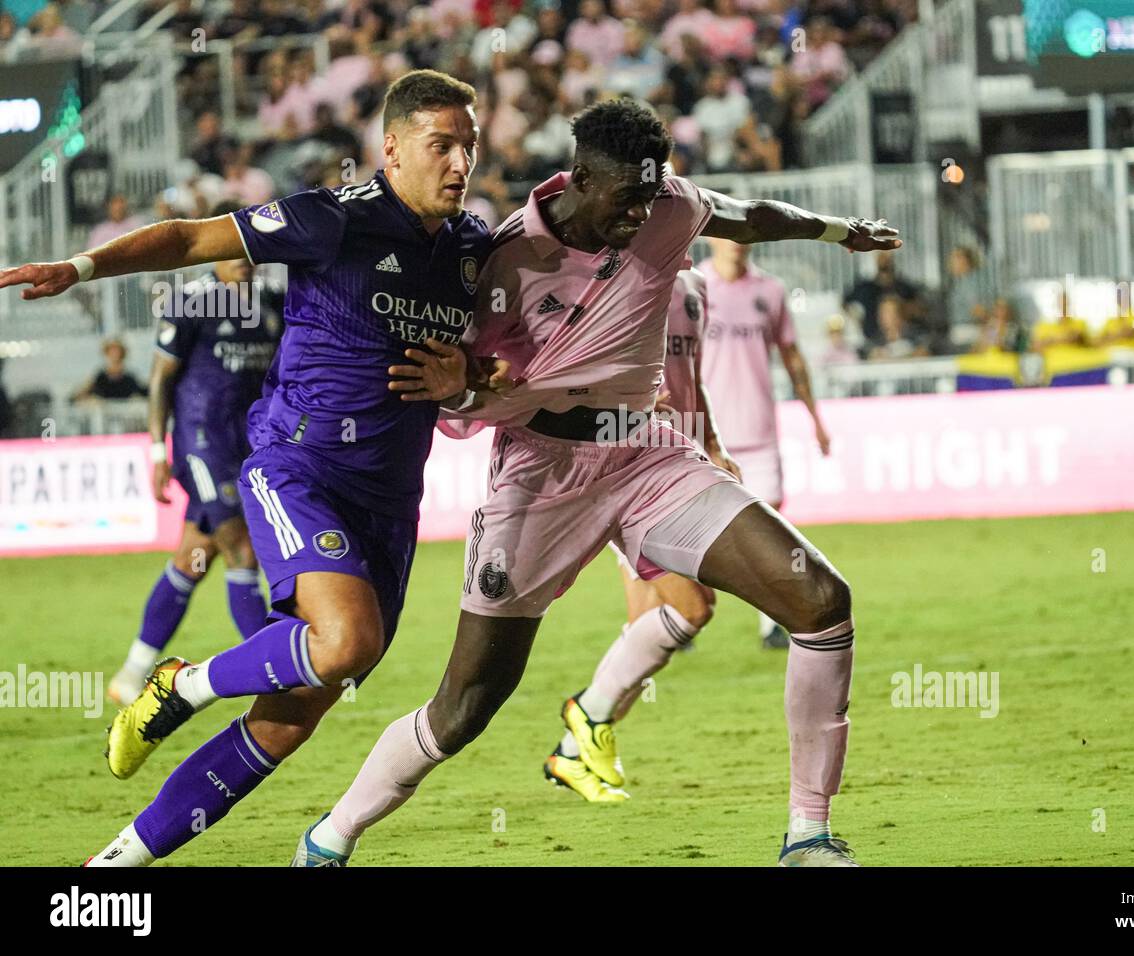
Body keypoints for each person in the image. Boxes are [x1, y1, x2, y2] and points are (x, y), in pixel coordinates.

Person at [292, 98, 900, 868]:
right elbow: (459, 390)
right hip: (540, 476)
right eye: (627, 198)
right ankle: (329, 838)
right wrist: (461, 386)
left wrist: (841, 231)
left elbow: (748, 217)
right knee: (466, 707)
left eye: (652, 195)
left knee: (820, 599)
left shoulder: (670, 205)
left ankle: (808, 836)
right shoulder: (504, 260)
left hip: (646, 455)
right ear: (579, 178)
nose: (642, 212)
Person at [0, 69, 499, 867]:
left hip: (392, 504)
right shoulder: (332, 220)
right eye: (442, 145)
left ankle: (112, 867)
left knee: (289, 719)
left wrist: (468, 378)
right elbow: (191, 238)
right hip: (298, 468)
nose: (459, 164)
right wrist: (81, 267)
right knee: (342, 642)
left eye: (469, 147)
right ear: (393, 148)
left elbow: (507, 367)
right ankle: (180, 682)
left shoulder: (477, 250)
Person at [544, 266, 740, 802]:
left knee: (645, 633)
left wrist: (714, 443)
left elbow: (691, 376)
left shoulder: (696, 286)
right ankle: (584, 714)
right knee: (693, 609)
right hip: (628, 468)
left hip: (679, 464)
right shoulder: (609, 278)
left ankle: (570, 751)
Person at [106, 201, 283, 708]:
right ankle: (268, 671)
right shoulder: (193, 302)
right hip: (201, 445)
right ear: (217, 249)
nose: (245, 257)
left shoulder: (272, 303)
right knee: (242, 550)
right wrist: (158, 449)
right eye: (236, 247)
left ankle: (132, 672)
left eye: (252, 247)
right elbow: (162, 378)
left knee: (192, 559)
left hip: (249, 445)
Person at [700, 236, 833, 648]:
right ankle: (679, 614)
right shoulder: (690, 286)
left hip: (759, 434)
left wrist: (815, 417)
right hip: (703, 437)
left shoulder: (770, 291)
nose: (737, 242)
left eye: (745, 235)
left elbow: (792, 356)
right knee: (691, 532)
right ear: (709, 236)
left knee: (770, 531)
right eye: (728, 233)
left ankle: (770, 624)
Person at [72, 339, 147, 402]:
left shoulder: (129, 378)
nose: (115, 355)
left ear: (123, 354)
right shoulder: (101, 377)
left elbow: (142, 392)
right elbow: (84, 392)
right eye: (111, 352)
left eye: (117, 351)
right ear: (107, 354)